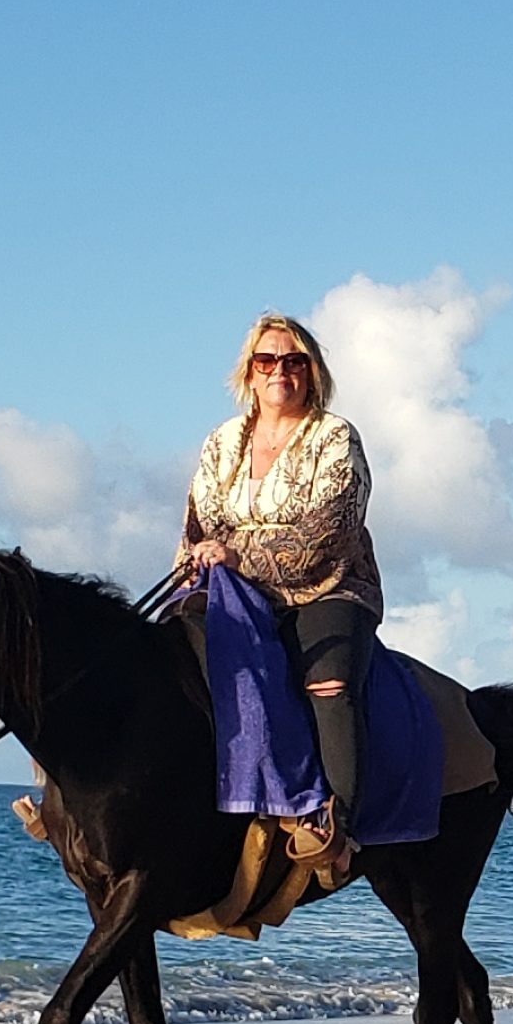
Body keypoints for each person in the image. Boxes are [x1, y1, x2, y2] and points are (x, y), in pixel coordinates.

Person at [177, 312, 384, 859]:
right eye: (267, 360)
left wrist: (241, 554)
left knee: (329, 680)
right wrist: (192, 566)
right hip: (231, 585)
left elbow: (331, 528)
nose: (279, 371)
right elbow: (198, 523)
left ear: (311, 372)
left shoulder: (335, 437)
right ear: (249, 373)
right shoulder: (221, 443)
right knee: (164, 649)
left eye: (294, 361)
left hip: (327, 585)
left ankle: (337, 824)